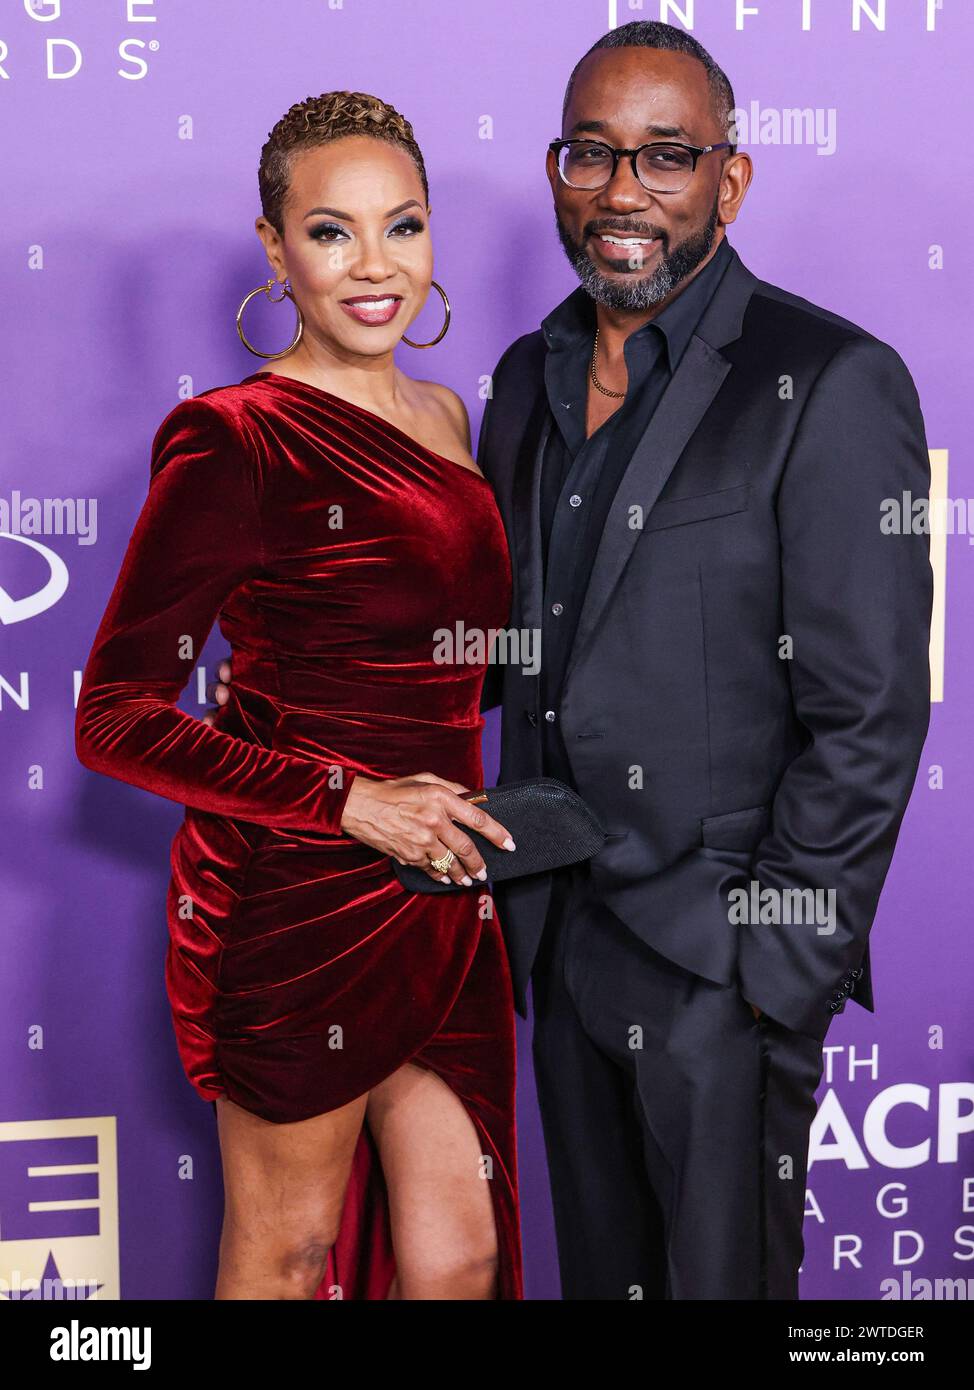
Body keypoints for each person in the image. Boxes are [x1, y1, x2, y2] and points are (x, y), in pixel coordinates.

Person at [475, 20, 932, 1299]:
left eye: (665, 158)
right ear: (556, 171)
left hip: (719, 965)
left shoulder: (828, 378)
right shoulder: (523, 377)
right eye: (592, 155)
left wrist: (770, 967)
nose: (623, 192)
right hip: (556, 939)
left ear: (727, 181)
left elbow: (870, 710)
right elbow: (515, 643)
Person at [75, 91, 523, 1301]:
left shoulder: (447, 418)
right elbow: (113, 715)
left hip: (448, 889)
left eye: (403, 226)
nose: (374, 267)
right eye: (331, 232)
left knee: (459, 1256)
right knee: (286, 1254)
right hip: (301, 900)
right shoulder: (236, 439)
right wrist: (347, 800)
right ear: (275, 248)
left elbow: (446, 662)